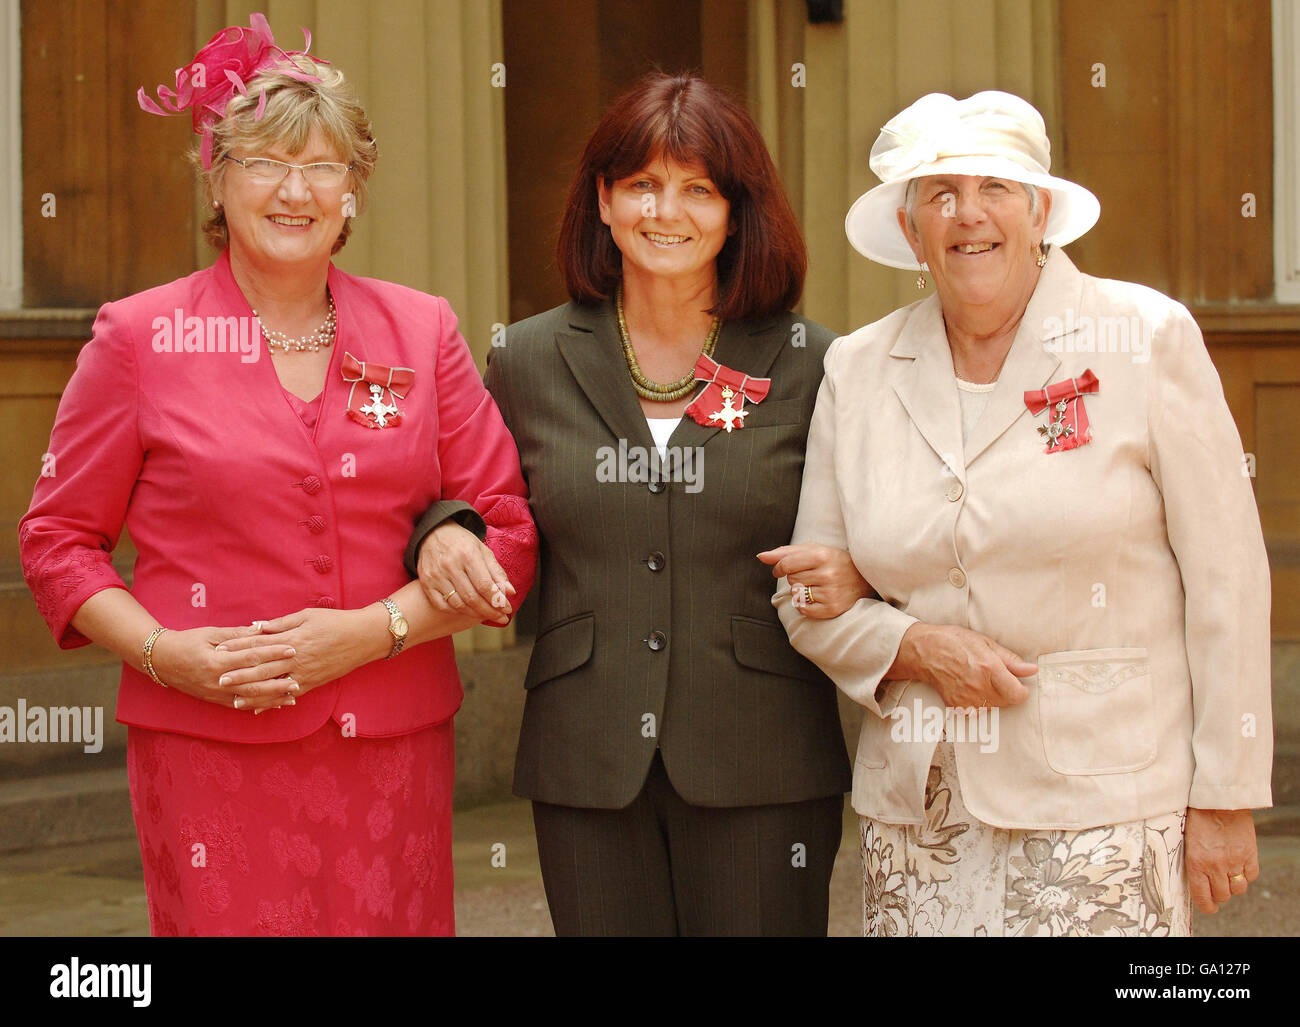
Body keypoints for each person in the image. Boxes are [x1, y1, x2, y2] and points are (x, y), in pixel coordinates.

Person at [19, 14, 536, 936]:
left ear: (355, 191)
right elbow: (59, 543)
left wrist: (379, 628)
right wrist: (161, 653)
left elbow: (511, 532)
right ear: (216, 178)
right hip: (209, 747)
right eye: (264, 162)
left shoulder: (424, 330)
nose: (294, 190)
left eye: (323, 165)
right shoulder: (138, 337)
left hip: (390, 750)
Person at [769, 90, 1272, 937]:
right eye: (940, 194)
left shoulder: (1145, 337)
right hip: (922, 814)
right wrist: (915, 645)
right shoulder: (856, 370)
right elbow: (806, 595)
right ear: (910, 232)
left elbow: (1228, 579)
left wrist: (1225, 793)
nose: (969, 214)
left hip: (1103, 805)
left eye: (996, 188)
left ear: (1041, 211)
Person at [410, 72, 862, 936]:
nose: (668, 210)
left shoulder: (813, 359)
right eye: (642, 185)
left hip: (761, 754)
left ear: (737, 213)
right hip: (587, 754)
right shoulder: (529, 357)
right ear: (604, 203)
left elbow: (881, 522)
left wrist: (858, 569)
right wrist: (441, 532)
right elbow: (457, 489)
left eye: (699, 188)